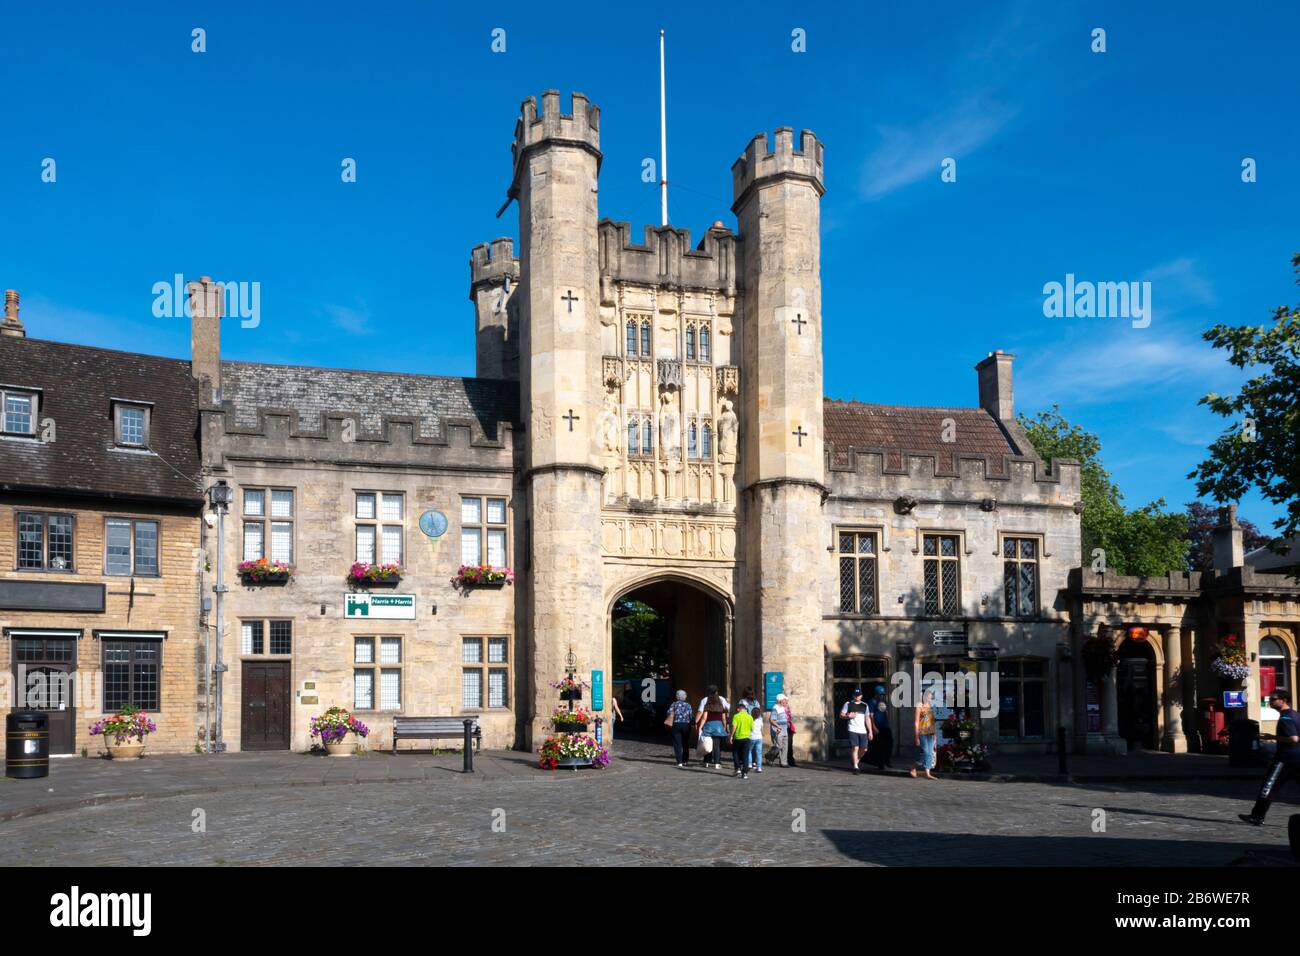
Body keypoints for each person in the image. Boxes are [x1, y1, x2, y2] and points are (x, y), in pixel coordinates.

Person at [1240, 690, 1300, 825]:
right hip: (1297, 758)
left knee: (1268, 787)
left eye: (1273, 699)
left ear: (1283, 700)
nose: (1270, 702)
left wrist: (1270, 737)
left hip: (1285, 759)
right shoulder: (1296, 715)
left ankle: (1257, 816)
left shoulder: (1286, 718)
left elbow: (1293, 738)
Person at [839, 687, 874, 775]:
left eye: (858, 695)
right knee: (855, 748)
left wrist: (870, 731)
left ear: (861, 696)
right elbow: (841, 715)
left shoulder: (865, 705)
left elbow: (867, 718)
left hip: (862, 730)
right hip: (852, 729)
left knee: (864, 749)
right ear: (853, 695)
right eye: (855, 695)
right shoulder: (848, 704)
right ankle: (855, 767)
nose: (857, 697)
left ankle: (856, 760)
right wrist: (848, 716)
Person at [697, 690, 729, 770]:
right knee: (716, 746)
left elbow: (704, 718)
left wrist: (701, 726)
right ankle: (717, 763)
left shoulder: (707, 706)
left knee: (708, 744)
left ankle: (707, 762)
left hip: (709, 726)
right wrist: (724, 727)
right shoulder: (721, 707)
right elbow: (724, 719)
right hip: (718, 727)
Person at [911, 689, 937, 780]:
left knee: (930, 753)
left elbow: (932, 721)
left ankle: (927, 773)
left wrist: (934, 733)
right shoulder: (919, 706)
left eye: (930, 697)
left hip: (930, 733)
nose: (929, 699)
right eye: (928, 697)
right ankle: (914, 767)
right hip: (922, 733)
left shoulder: (930, 706)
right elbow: (916, 722)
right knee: (925, 752)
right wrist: (916, 737)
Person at [866, 685, 893, 770]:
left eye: (883, 694)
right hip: (877, 727)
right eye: (880, 694)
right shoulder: (872, 702)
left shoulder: (883, 702)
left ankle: (887, 760)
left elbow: (886, 712)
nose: (882, 696)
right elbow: (871, 716)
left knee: (890, 742)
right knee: (879, 745)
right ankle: (881, 764)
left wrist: (888, 721)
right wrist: (873, 727)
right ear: (876, 694)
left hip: (885, 726)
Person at [667, 690, 695, 768]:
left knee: (677, 744)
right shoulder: (688, 705)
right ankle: (685, 760)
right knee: (685, 743)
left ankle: (679, 762)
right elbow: (691, 716)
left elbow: (668, 713)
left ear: (677, 696)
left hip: (676, 725)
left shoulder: (673, 704)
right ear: (684, 696)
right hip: (686, 725)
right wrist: (693, 723)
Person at [730, 703, 755, 778]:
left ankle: (737, 768)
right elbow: (752, 728)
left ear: (738, 709)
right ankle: (745, 773)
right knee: (745, 755)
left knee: (735, 753)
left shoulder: (736, 716)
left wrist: (731, 736)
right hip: (747, 738)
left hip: (738, 738)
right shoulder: (750, 717)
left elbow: (734, 726)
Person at [770, 693, 793, 767]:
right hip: (778, 730)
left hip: (784, 730)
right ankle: (769, 757)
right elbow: (772, 720)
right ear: (780, 700)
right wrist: (778, 726)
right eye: (784, 699)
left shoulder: (783, 708)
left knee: (785, 747)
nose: (785, 701)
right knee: (779, 746)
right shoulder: (775, 708)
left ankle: (784, 762)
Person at [749, 704, 765, 774]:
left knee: (749, 751)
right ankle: (759, 767)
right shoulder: (760, 719)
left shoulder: (750, 719)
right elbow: (762, 729)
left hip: (752, 737)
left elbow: (750, 729)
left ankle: (749, 764)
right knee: (759, 753)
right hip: (759, 737)